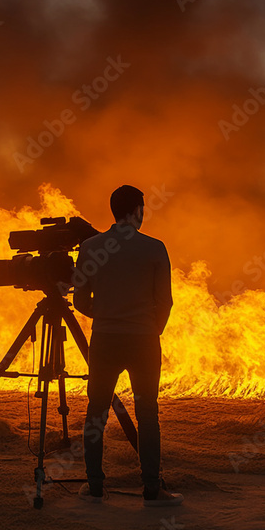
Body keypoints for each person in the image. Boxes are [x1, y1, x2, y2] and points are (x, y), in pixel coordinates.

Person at [72, 185, 182, 507]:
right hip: (144, 341)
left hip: (105, 340)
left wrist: (106, 316)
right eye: (143, 208)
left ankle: (94, 488)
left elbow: (79, 300)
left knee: (96, 414)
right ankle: (152, 489)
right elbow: (165, 302)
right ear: (137, 210)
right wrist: (152, 329)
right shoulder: (154, 248)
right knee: (147, 415)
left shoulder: (90, 247)